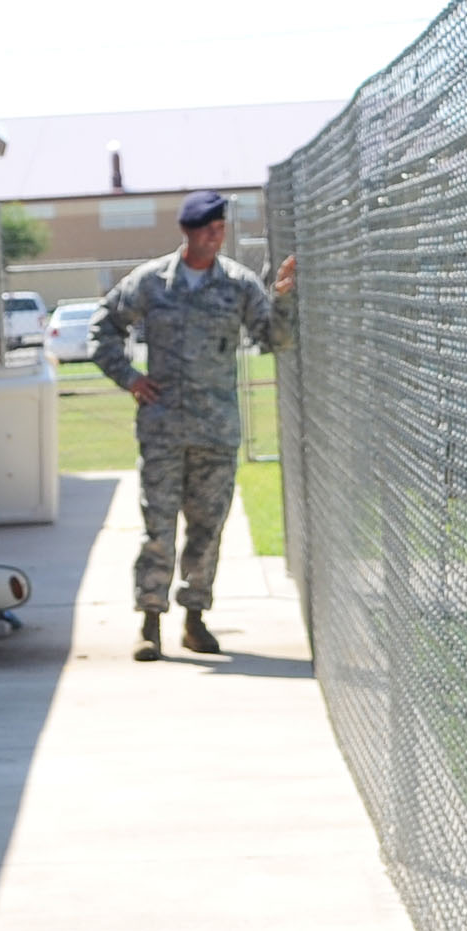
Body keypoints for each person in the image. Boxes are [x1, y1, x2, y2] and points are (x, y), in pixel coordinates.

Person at [92, 188, 295, 660]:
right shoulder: (153, 282)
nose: (216, 237)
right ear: (188, 232)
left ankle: (195, 619)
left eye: (221, 229)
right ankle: (150, 621)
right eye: (209, 230)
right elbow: (104, 325)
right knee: (157, 526)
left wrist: (282, 300)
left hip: (215, 431)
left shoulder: (239, 285)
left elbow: (275, 340)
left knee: (207, 528)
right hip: (162, 429)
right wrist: (129, 378)